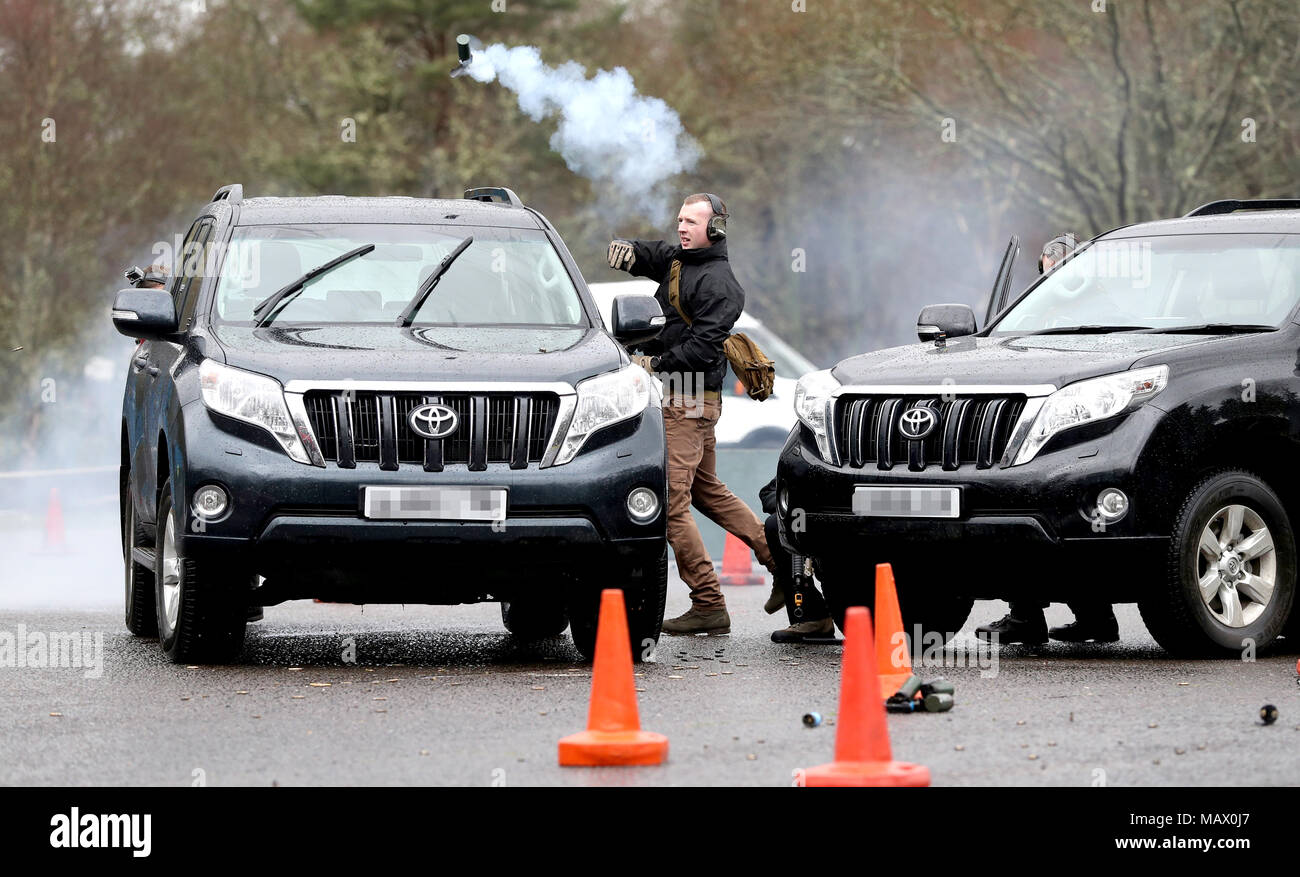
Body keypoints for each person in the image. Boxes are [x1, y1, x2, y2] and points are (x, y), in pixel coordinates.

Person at [607, 193, 778, 635]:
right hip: (686, 400)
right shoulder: (681, 261)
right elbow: (656, 254)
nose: (682, 228)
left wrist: (656, 364)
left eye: (692, 222)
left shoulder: (720, 284)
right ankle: (789, 571)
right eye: (680, 219)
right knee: (707, 494)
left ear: (715, 229)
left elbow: (703, 347)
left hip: (689, 401)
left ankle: (707, 601)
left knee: (669, 504)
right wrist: (628, 250)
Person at [976, 232, 1119, 645]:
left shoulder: (1100, 309)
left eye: (1059, 266)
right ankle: (1058, 616)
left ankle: (1077, 616)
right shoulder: (1040, 308)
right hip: (1047, 428)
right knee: (1032, 525)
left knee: (1054, 525)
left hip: (1075, 427)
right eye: (1049, 266)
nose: (1052, 272)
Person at [758, 477, 834, 642]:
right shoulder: (823, 454)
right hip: (829, 521)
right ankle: (811, 616)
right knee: (777, 524)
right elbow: (769, 492)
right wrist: (794, 508)